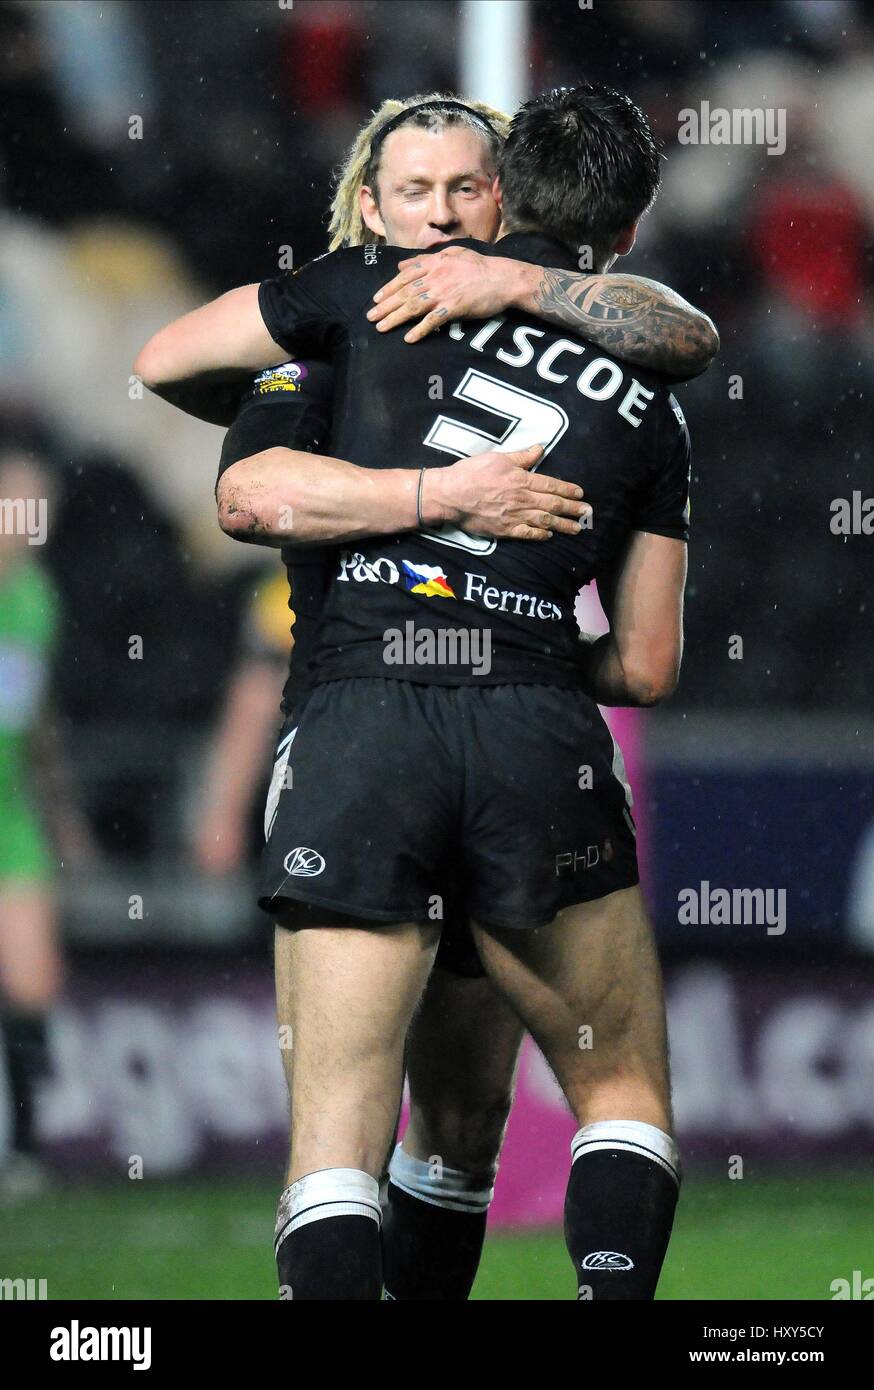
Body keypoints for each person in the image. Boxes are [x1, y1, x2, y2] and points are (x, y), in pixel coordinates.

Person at [136, 84, 714, 1299]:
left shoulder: (345, 310)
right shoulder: (644, 384)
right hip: (528, 729)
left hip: (365, 727)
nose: (444, 217)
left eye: (466, 192)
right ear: (369, 202)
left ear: (505, 201)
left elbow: (223, 459)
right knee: (607, 1095)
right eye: (417, 193)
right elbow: (650, 666)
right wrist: (476, 539)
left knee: (355, 1142)